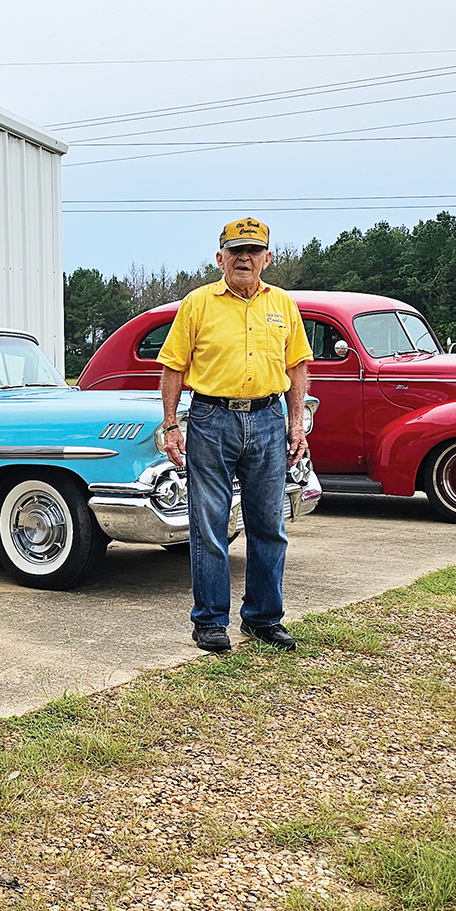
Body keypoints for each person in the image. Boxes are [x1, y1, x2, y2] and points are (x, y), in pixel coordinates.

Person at [156, 218, 311, 654]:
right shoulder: (197, 303)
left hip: (267, 419)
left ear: (267, 257)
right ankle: (209, 622)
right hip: (211, 418)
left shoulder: (283, 304)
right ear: (219, 257)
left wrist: (296, 423)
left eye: (253, 251)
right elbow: (172, 367)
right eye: (236, 250)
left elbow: (297, 366)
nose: (245, 258)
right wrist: (171, 424)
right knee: (210, 526)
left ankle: (263, 619)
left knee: (269, 525)